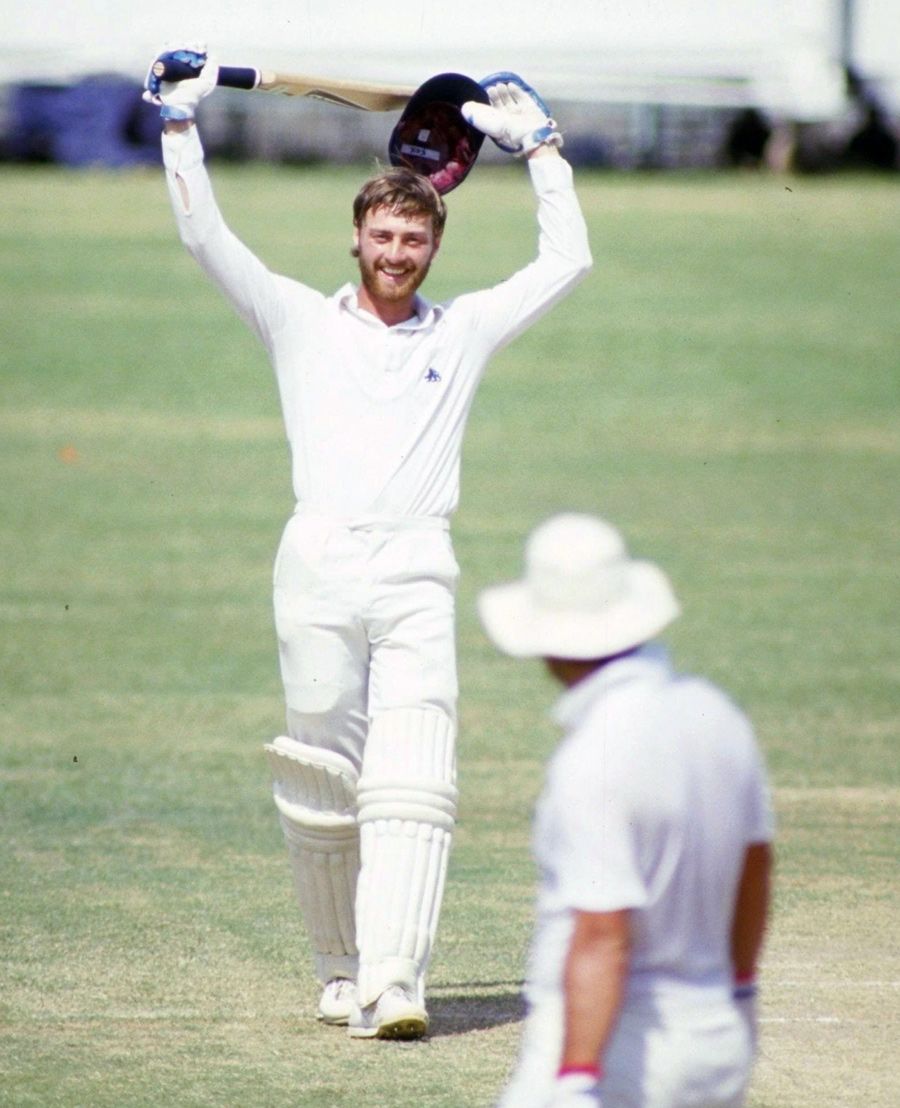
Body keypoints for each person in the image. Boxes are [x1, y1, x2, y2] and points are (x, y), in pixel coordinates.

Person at [143, 45, 592, 1040]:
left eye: (413, 238)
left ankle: (397, 983)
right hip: (317, 564)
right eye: (382, 235)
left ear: (434, 244)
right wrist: (178, 125)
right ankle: (340, 969)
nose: (396, 252)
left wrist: (543, 150)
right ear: (356, 238)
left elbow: (569, 263)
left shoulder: (461, 332)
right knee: (322, 782)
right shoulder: (298, 321)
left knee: (414, 780)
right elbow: (205, 236)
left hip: (417, 569)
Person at [477, 513, 774, 1106]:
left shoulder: (591, 759)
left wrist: (577, 1080)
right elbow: (755, 867)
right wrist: (739, 993)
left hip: (621, 1054)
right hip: (714, 1041)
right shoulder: (717, 715)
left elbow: (602, 932)